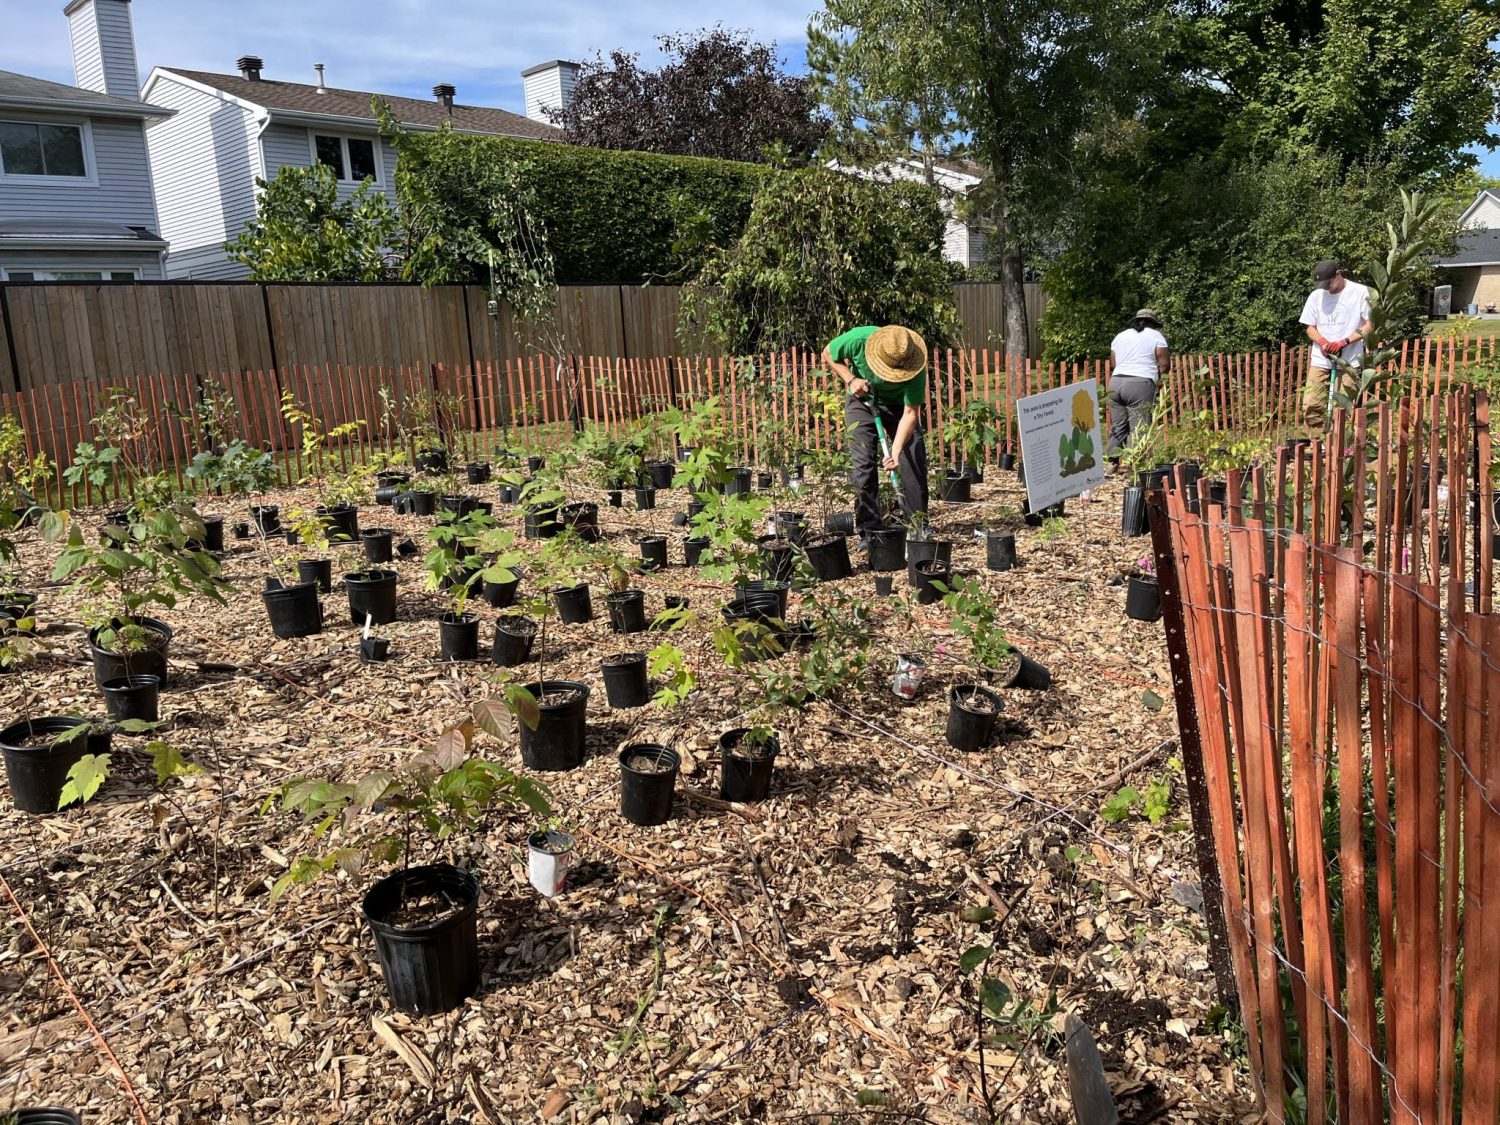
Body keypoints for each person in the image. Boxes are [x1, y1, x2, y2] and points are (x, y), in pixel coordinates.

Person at [822, 324, 930, 548]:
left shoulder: (915, 363)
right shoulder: (859, 339)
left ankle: (917, 525)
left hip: (900, 406)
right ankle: (869, 530)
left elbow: (911, 414)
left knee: (913, 456)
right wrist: (851, 380)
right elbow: (828, 353)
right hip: (862, 401)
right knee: (863, 465)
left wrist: (896, 451)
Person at [1299, 259, 1372, 430]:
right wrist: (1322, 342)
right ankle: (1317, 444)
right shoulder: (1316, 295)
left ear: (1338, 274)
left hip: (1349, 361)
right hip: (1321, 359)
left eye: (1329, 283)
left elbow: (1370, 325)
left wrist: (1344, 342)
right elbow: (1310, 327)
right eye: (1323, 285)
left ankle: (1339, 448)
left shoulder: (1360, 292)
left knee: (1342, 407)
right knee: (1311, 404)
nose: (1326, 288)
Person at [1107, 308, 1169, 460]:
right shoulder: (1156, 336)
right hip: (1140, 383)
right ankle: (1140, 466)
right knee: (1140, 427)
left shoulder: (1120, 336)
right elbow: (1165, 364)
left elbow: (1114, 362)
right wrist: (1158, 379)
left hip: (1115, 384)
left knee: (1118, 427)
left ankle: (1112, 465)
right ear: (1153, 324)